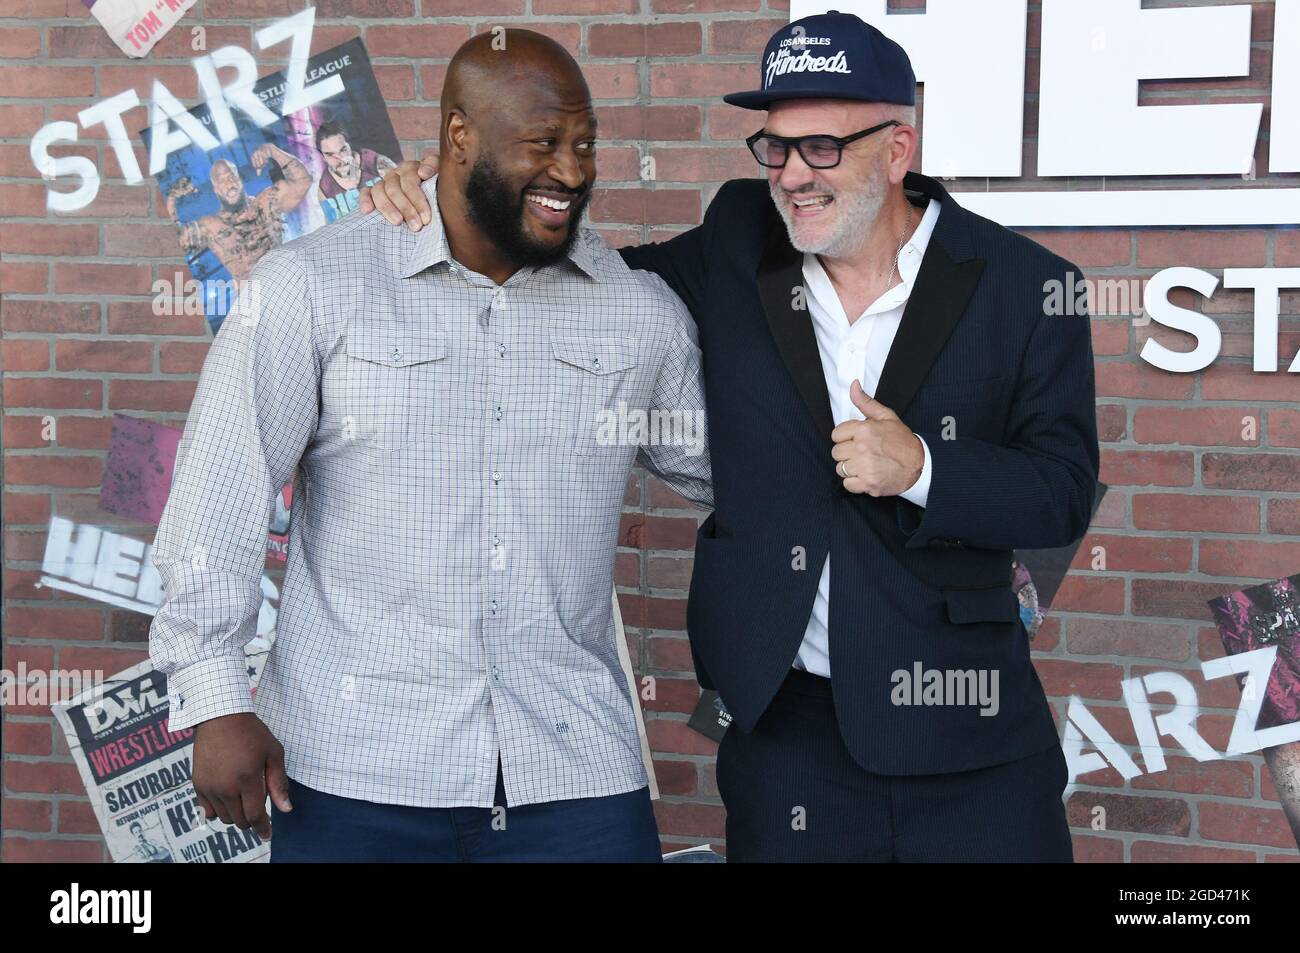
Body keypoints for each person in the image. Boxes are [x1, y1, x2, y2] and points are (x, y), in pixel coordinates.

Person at [364, 11, 1099, 862]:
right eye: (775, 148)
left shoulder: (1028, 287)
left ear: (899, 148)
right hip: (786, 741)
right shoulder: (741, 237)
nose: (792, 175)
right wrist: (455, 192)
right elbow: (584, 274)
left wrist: (923, 466)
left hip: (965, 743)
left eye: (821, 147)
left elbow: (1062, 490)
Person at [149, 29, 711, 862]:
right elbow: (217, 496)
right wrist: (214, 696)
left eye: (585, 144)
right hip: (352, 772)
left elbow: (743, 476)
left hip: (572, 775)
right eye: (544, 144)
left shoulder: (639, 311)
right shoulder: (316, 284)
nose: (573, 170)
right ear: (457, 138)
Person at [164, 144, 312, 281]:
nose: (229, 184)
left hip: (290, 282)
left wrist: (271, 150)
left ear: (240, 180)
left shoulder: (267, 202)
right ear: (216, 190)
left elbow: (303, 181)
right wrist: (171, 198)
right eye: (222, 181)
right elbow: (176, 244)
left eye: (231, 177)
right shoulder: (212, 227)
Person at [314, 119, 398, 223]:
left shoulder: (374, 162)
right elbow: (331, 228)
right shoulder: (325, 189)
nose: (340, 159)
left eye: (343, 150)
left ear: (349, 146)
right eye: (330, 155)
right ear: (323, 157)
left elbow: (402, 188)